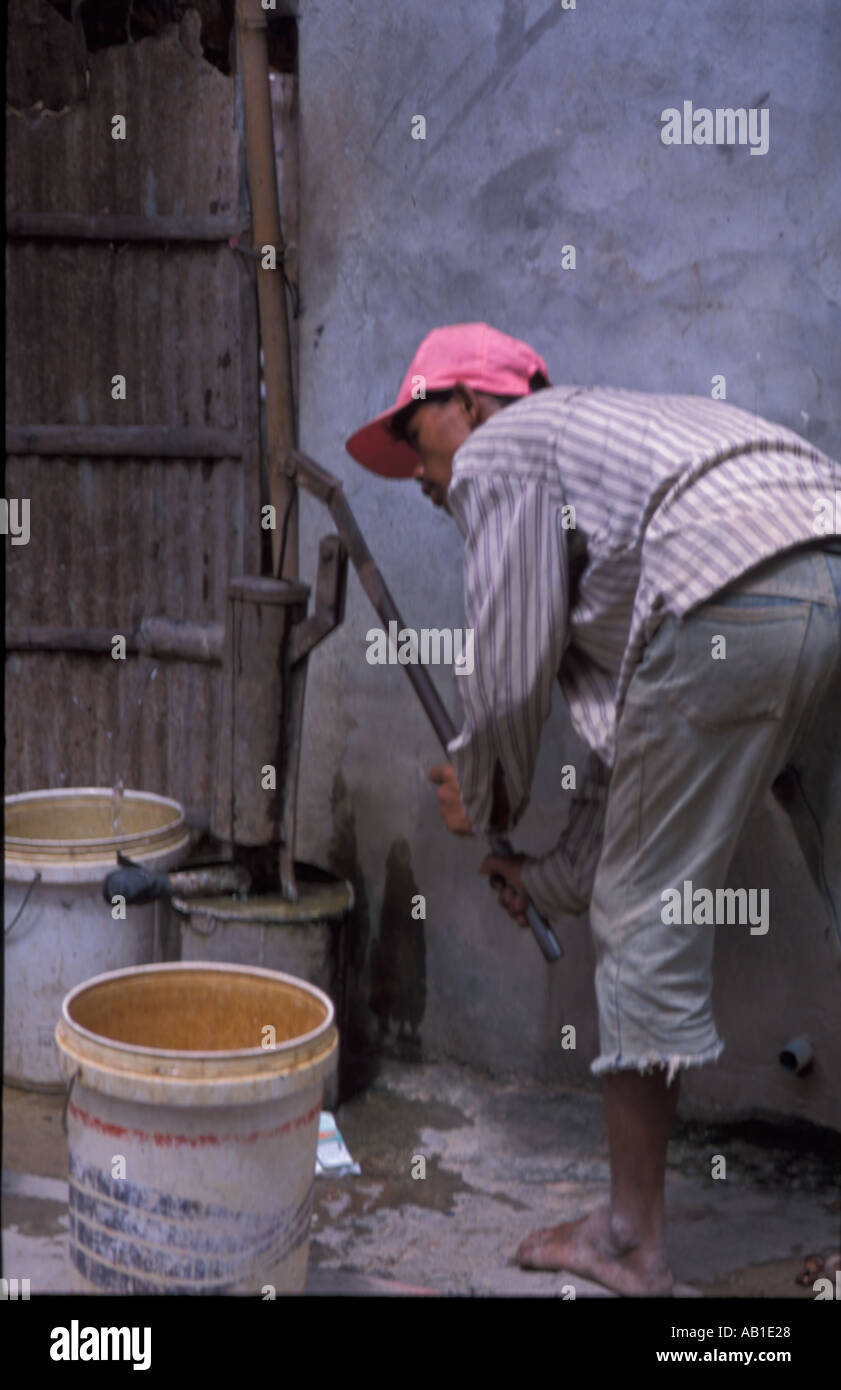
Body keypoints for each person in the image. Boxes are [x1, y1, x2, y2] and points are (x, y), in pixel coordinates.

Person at [345, 321, 841, 1295]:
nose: (420, 473)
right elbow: (637, 762)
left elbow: (507, 672)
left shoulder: (506, 451)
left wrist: (477, 792)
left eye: (416, 430)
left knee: (644, 915)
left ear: (476, 404)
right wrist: (537, 875)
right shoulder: (617, 513)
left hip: (730, 601)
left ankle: (625, 1237)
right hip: (823, 567)